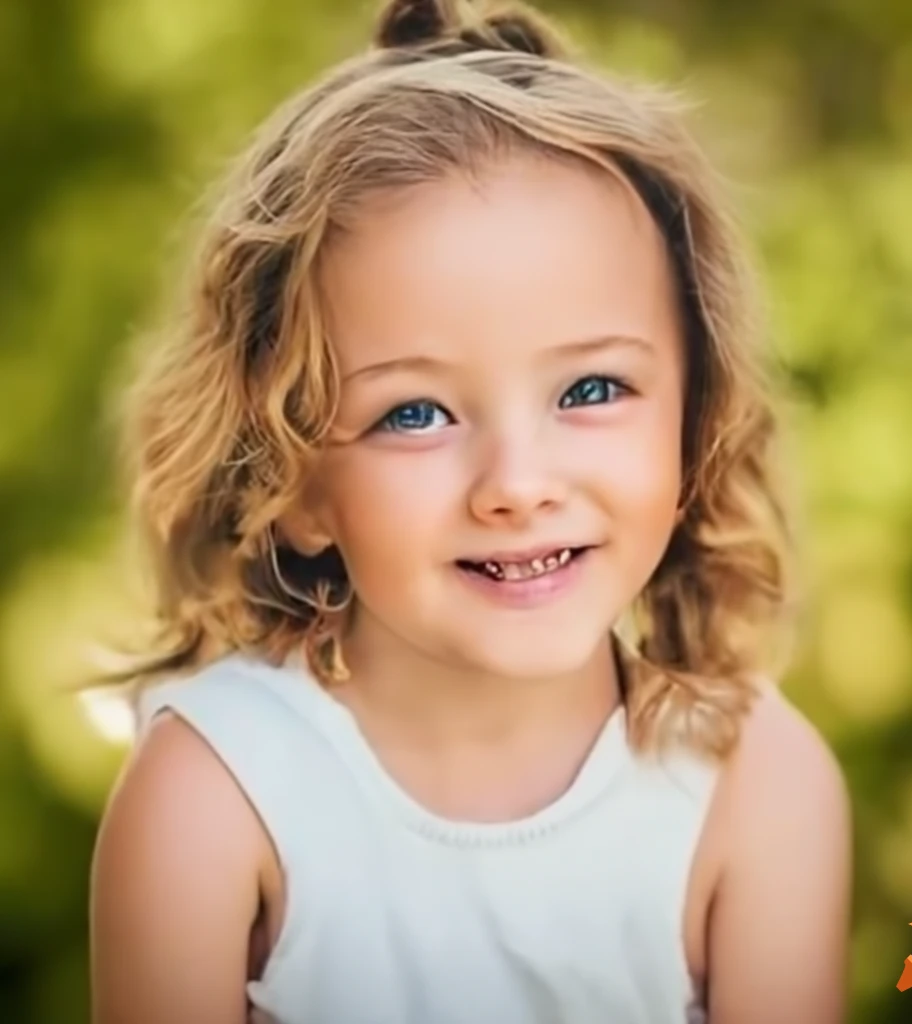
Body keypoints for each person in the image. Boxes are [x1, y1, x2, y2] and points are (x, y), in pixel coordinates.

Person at [88, 1, 852, 1021]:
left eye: (589, 390)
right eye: (415, 412)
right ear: (295, 485)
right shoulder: (217, 795)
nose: (517, 482)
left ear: (693, 414)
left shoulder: (751, 783)